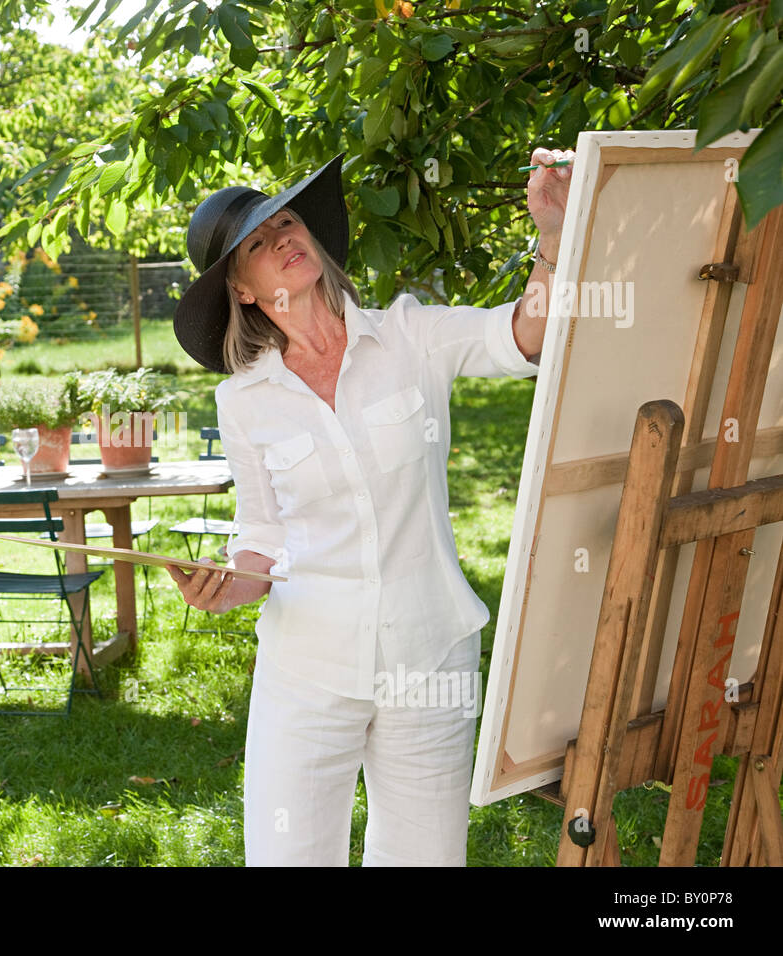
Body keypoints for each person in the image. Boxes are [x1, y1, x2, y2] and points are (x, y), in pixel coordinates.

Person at [166, 146, 572, 866]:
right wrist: (229, 587)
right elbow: (263, 533)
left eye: (286, 222)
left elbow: (525, 334)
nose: (283, 239)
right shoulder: (244, 401)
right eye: (257, 244)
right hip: (308, 669)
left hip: (430, 657)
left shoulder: (410, 336)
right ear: (244, 291)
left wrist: (550, 236)